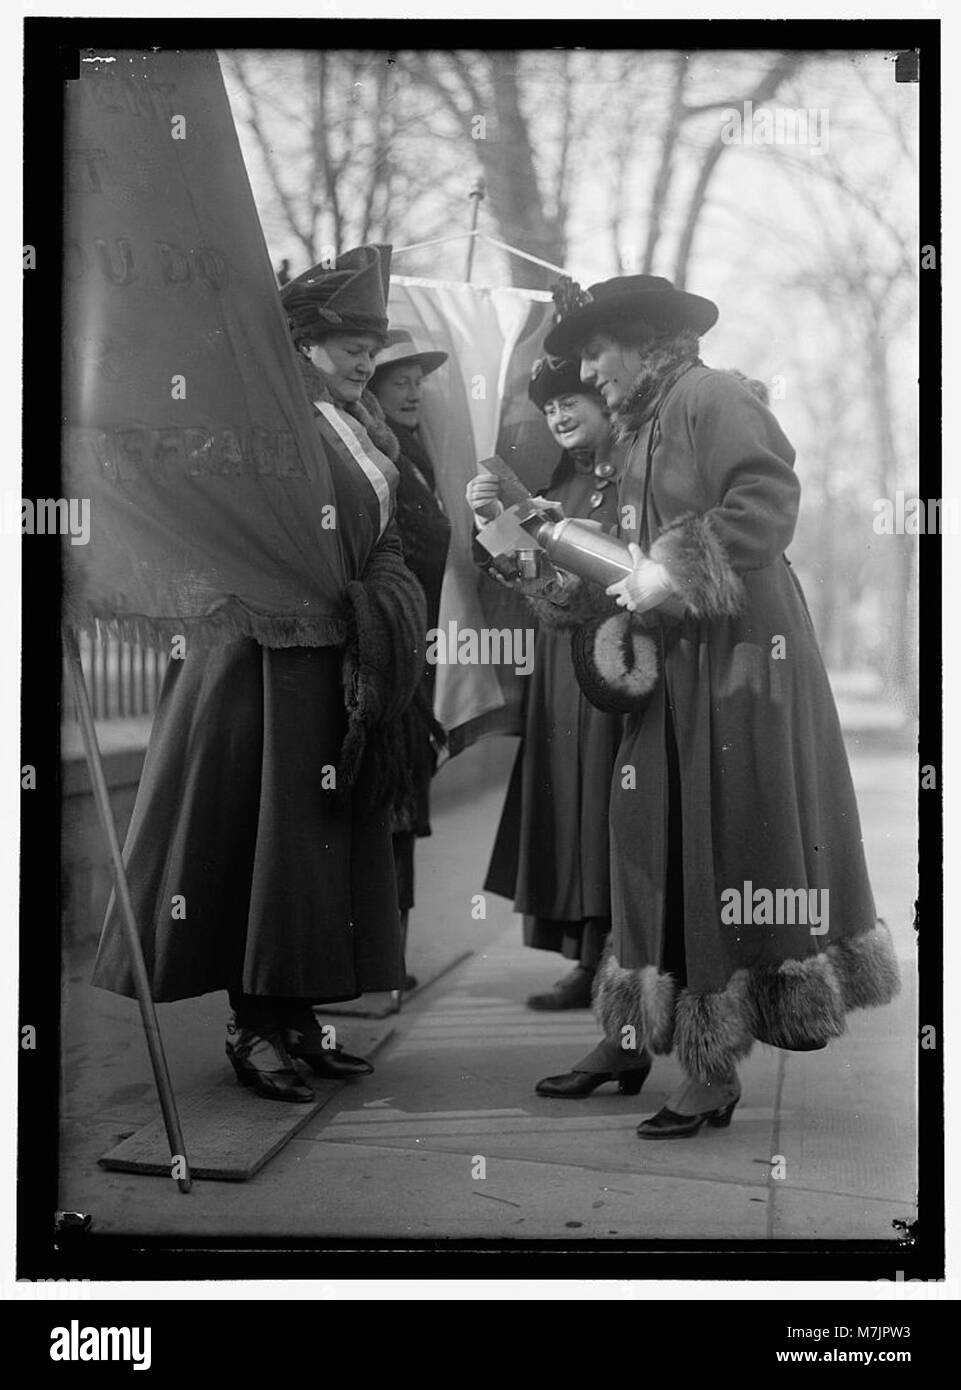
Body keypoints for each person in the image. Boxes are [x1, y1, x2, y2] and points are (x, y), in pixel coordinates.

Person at [530, 272, 901, 1138]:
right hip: (676, 658)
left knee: (720, 846)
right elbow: (629, 550)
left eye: (596, 351)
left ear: (641, 340)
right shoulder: (640, 425)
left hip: (740, 655)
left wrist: (673, 567)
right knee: (646, 839)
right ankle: (627, 1034)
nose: (590, 370)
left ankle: (710, 1067)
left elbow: (766, 502)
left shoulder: (713, 395)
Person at [92, 245, 428, 1102]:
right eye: (349, 342)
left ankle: (295, 1017)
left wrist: (382, 598)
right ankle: (252, 1027)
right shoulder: (265, 422)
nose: (365, 358)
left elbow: (381, 539)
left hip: (333, 667)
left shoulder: (363, 432)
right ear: (304, 343)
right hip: (255, 670)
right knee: (262, 844)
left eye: (372, 342)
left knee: (310, 851)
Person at [466, 356, 651, 1097]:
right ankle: (587, 959)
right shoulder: (555, 478)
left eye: (572, 399)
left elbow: (612, 577)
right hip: (561, 672)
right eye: (550, 408)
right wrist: (495, 524)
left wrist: (527, 516)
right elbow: (535, 576)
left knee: (614, 822)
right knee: (571, 815)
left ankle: (613, 961)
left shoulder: (630, 474)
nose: (561, 416)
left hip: (615, 671)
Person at [369, 330, 452, 993]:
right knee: (386, 804)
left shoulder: (413, 457)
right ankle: (374, 963)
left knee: (406, 805)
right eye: (398, 379)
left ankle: (388, 959)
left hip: (415, 650)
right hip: (382, 653)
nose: (411, 390)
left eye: (416, 380)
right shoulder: (369, 455)